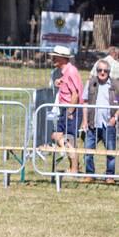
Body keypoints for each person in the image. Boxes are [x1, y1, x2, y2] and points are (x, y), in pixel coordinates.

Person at [80, 57, 117, 183]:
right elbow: (84, 102)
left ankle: (110, 176)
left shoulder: (116, 85)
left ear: (109, 72)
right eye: (100, 70)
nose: (102, 73)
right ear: (96, 71)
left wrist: (114, 118)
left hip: (109, 124)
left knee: (111, 152)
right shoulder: (90, 83)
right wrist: (84, 120)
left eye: (105, 71)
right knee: (88, 151)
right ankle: (90, 174)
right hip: (92, 123)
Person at [50, 44, 83, 176]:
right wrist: (59, 81)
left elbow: (75, 94)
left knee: (69, 140)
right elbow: (69, 87)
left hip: (71, 110)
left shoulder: (71, 71)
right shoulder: (65, 72)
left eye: (55, 57)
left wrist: (70, 111)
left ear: (62, 58)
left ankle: (74, 168)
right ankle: (70, 161)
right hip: (66, 109)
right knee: (56, 135)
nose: (53, 59)